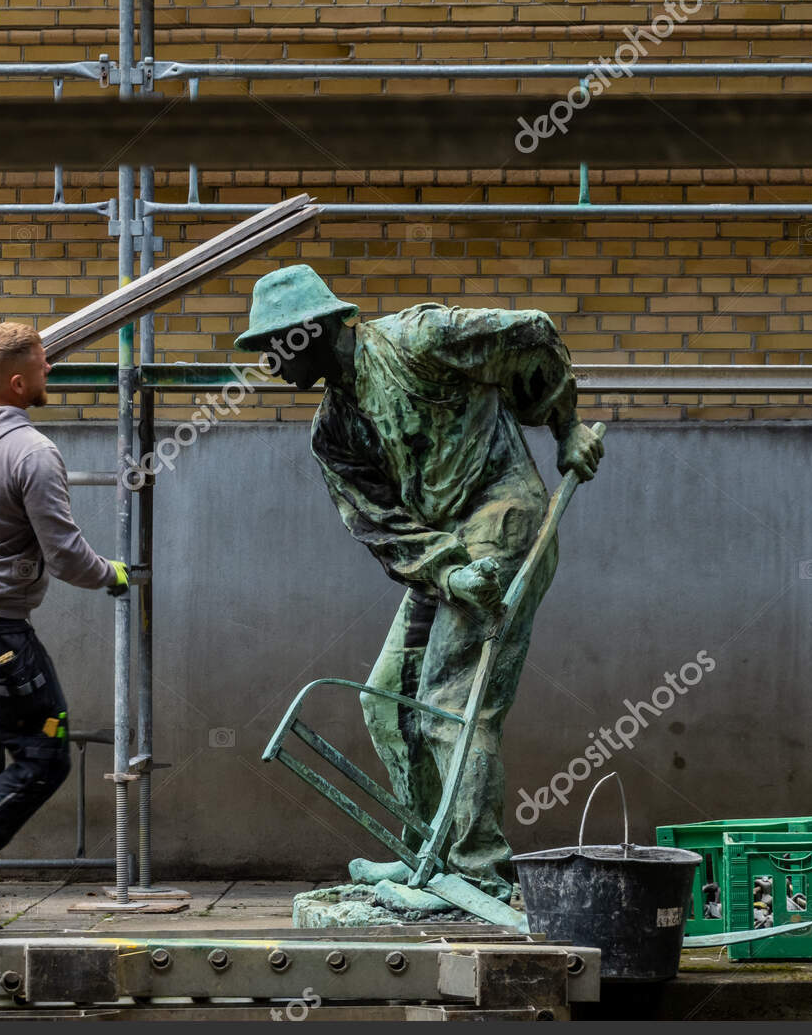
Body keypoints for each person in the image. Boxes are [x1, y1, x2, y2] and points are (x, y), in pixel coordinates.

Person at [234, 265, 603, 902]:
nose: (269, 359)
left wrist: (563, 423)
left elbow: (531, 333)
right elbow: (380, 525)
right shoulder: (333, 430)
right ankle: (425, 851)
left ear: (313, 330)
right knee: (385, 700)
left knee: (453, 701)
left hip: (502, 517)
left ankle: (477, 865)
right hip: (448, 557)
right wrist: (446, 571)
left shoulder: (419, 340)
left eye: (274, 343)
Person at [0, 320, 130, 936]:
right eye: (43, 365)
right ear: (18, 382)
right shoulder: (32, 453)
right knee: (45, 755)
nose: (50, 372)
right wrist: (113, 573)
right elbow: (65, 555)